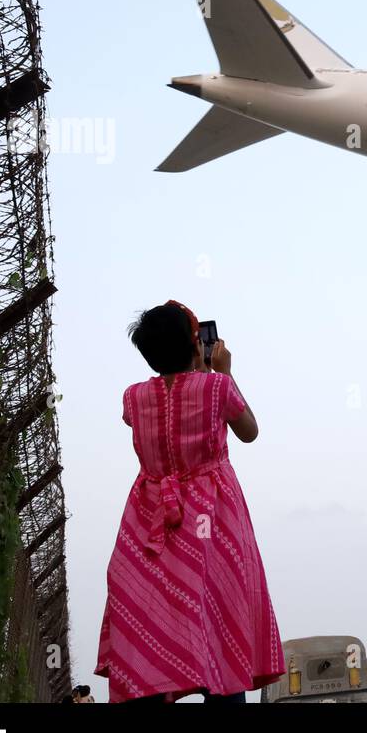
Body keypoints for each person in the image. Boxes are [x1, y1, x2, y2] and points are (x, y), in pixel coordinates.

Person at [94, 301, 285, 703]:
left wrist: (188, 369)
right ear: (195, 346)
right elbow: (249, 430)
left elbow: (156, 403)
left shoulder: (133, 397)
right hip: (213, 518)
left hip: (151, 521)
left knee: (152, 625)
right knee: (222, 626)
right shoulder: (217, 387)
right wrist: (223, 373)